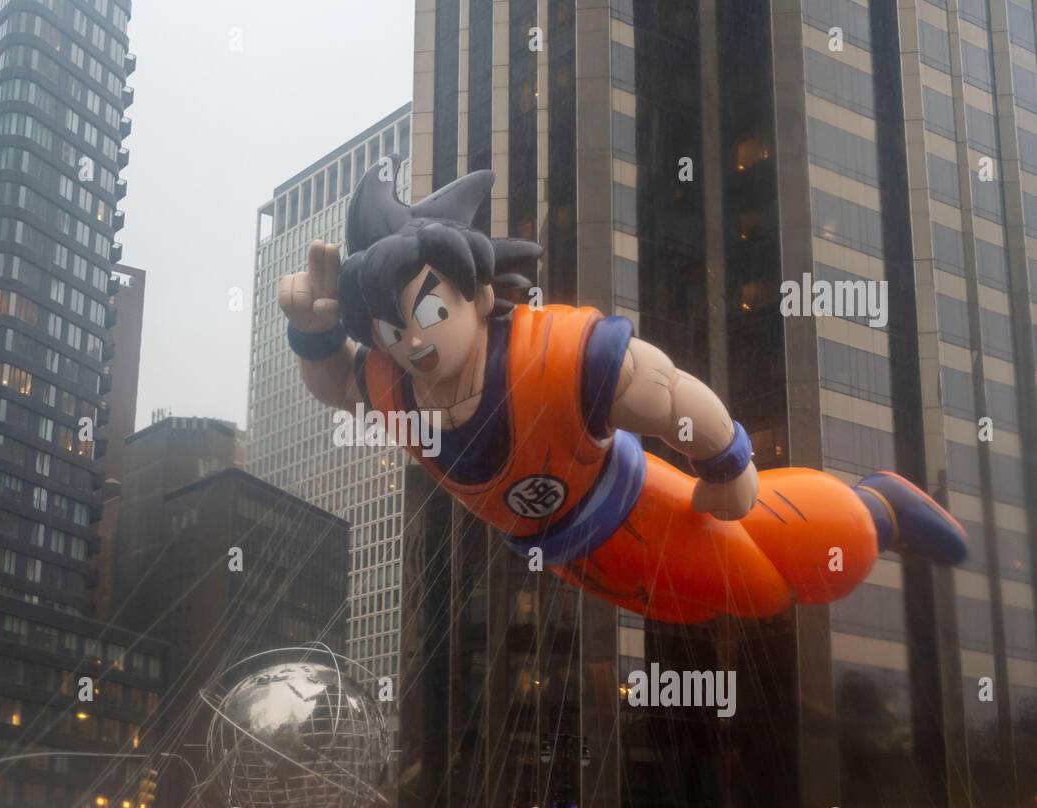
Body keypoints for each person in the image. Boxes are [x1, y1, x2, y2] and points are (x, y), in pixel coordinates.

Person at [278, 162, 967, 624]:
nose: (415, 342)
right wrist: (313, 334)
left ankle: (876, 510)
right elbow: (339, 381)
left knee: (760, 582)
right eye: (394, 327)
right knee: (717, 599)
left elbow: (663, 390)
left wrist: (726, 460)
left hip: (629, 504)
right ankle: (863, 514)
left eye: (430, 312)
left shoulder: (549, 354)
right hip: (568, 548)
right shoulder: (396, 385)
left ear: (479, 295)